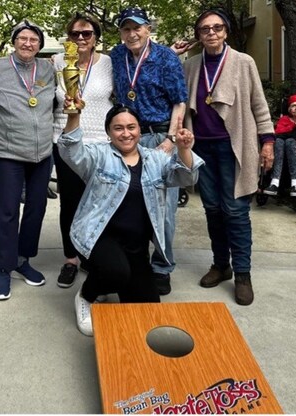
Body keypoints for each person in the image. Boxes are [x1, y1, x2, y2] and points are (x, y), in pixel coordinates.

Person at [57, 103, 202, 336]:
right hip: (99, 237)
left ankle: (108, 280)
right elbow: (70, 151)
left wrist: (184, 149)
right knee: (116, 272)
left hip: (136, 247)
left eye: (131, 127)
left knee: (149, 318)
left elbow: (185, 177)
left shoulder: (156, 159)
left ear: (139, 130)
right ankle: (87, 295)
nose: (126, 133)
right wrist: (74, 115)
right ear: (109, 132)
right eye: (118, 128)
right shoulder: (99, 155)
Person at [180, 8, 275, 306]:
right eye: (205, 29)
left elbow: (259, 104)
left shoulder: (243, 62)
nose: (211, 32)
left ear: (226, 31)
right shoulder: (192, 65)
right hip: (203, 148)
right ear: (199, 34)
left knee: (235, 211)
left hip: (235, 146)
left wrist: (267, 141)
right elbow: (184, 104)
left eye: (217, 27)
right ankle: (221, 265)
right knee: (212, 209)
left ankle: (243, 274)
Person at [109, 7, 188, 296]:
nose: (132, 34)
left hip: (158, 136)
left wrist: (170, 139)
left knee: (164, 207)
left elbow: (179, 101)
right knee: (129, 204)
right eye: (126, 29)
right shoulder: (116, 56)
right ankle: (134, 258)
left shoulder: (165, 57)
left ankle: (162, 266)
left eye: (137, 28)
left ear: (148, 29)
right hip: (128, 137)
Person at [0, 20, 55, 301]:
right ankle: (4, 268)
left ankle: (23, 259)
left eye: (33, 40)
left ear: (39, 45)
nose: (27, 43)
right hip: (9, 153)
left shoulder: (47, 69)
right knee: (9, 211)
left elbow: (55, 104)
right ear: (14, 41)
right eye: (22, 38)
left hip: (42, 153)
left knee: (37, 207)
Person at [50, 13, 114, 288]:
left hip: (101, 142)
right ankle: (71, 258)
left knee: (100, 202)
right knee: (70, 203)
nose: (80, 38)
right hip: (65, 140)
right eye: (75, 34)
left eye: (86, 33)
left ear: (96, 38)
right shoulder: (57, 62)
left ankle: (93, 253)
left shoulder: (110, 63)